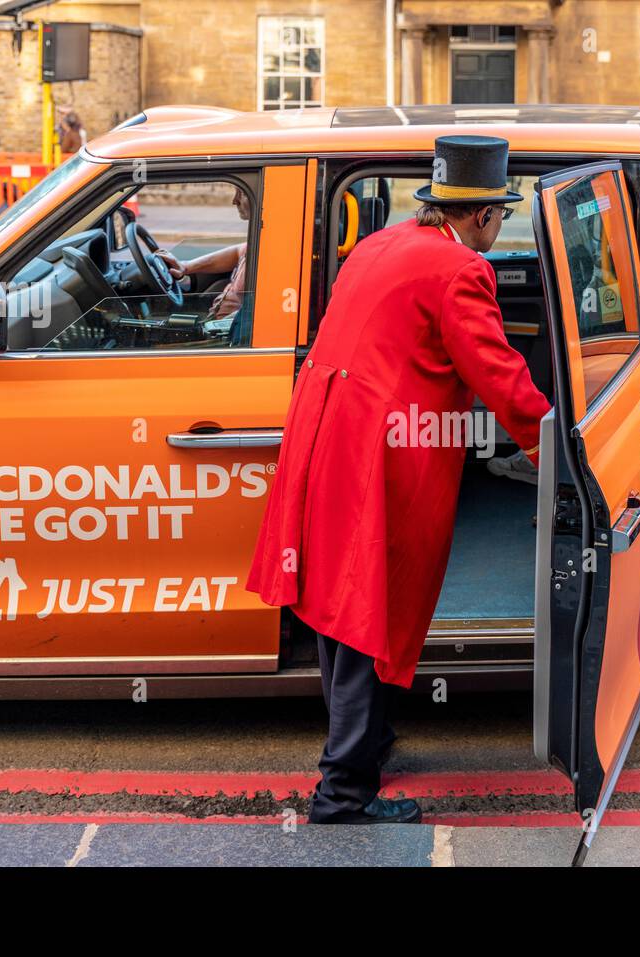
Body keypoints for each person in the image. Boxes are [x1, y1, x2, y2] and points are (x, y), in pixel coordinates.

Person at [246, 135, 551, 825]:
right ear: (479, 217)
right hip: (378, 457)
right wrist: (554, 447)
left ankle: (370, 743)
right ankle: (343, 792)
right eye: (500, 215)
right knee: (361, 613)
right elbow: (499, 374)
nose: (499, 228)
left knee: (336, 603)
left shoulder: (381, 244)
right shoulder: (460, 270)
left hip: (329, 440)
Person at [154, 186, 250, 329]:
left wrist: (212, 327)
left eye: (241, 193)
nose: (234, 200)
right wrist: (185, 266)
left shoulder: (274, 248)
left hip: (227, 332)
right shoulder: (258, 240)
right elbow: (238, 251)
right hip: (217, 322)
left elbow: (251, 316)